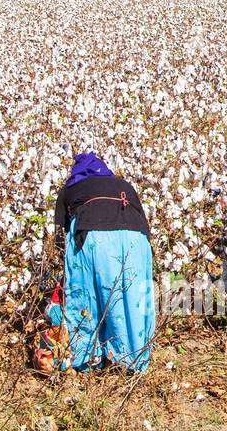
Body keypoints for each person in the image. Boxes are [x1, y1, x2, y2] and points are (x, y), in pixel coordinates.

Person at [35, 151, 155, 374]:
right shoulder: (124, 184)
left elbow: (60, 237)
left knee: (86, 296)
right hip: (137, 241)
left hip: (94, 237)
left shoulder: (71, 188)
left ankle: (84, 357)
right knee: (132, 299)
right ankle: (134, 360)